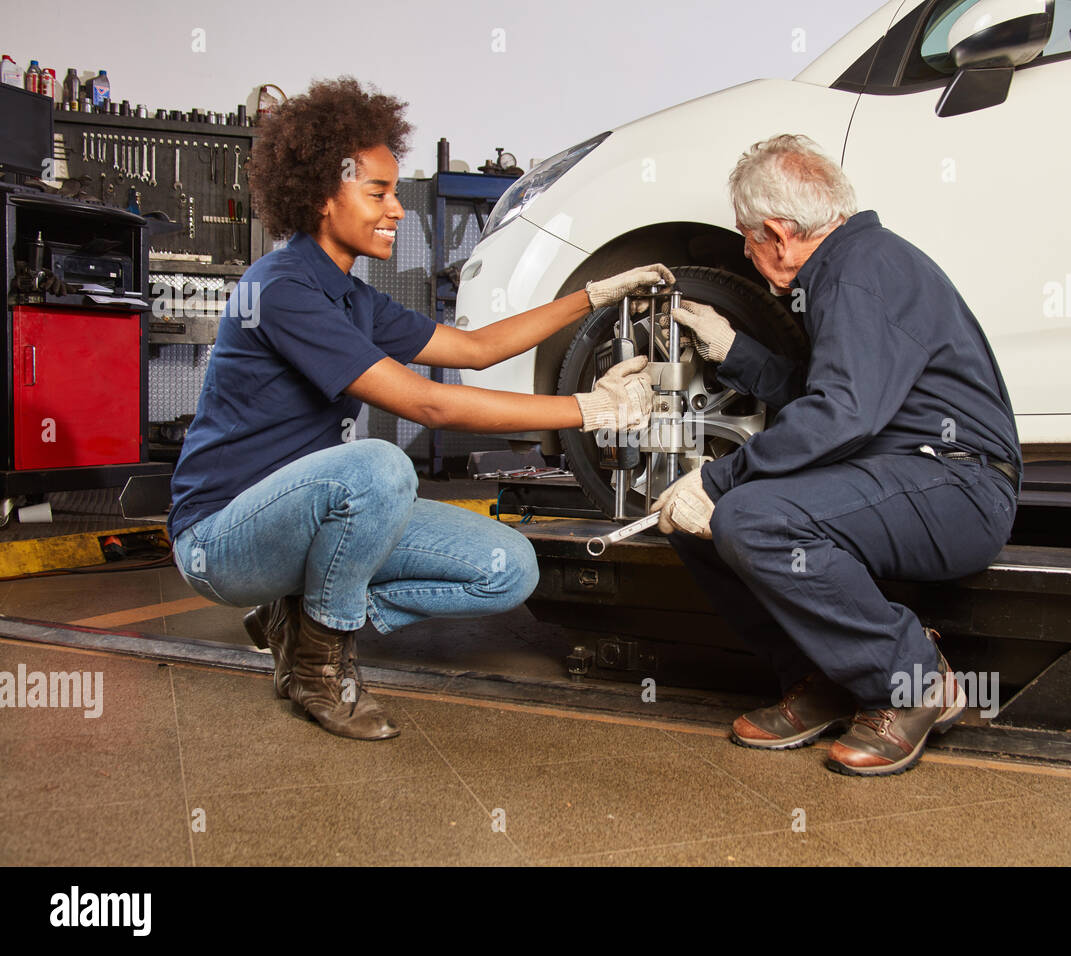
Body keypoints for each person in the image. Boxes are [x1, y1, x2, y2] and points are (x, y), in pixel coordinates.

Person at [168, 77, 667, 741]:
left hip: (309, 521)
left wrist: (593, 296)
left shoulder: (351, 296)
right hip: (224, 538)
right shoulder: (283, 289)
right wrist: (589, 410)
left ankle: (303, 618)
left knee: (509, 569)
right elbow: (428, 404)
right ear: (321, 196)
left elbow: (477, 348)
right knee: (379, 467)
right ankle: (320, 670)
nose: (396, 209)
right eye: (377, 192)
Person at [654, 134, 1021, 776]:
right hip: (899, 471)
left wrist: (719, 477)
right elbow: (831, 391)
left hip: (956, 484)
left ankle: (914, 680)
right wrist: (732, 349)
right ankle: (824, 676)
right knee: (697, 529)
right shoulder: (851, 266)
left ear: (779, 232)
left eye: (746, 237)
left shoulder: (861, 271)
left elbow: (841, 416)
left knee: (749, 518)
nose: (746, 251)